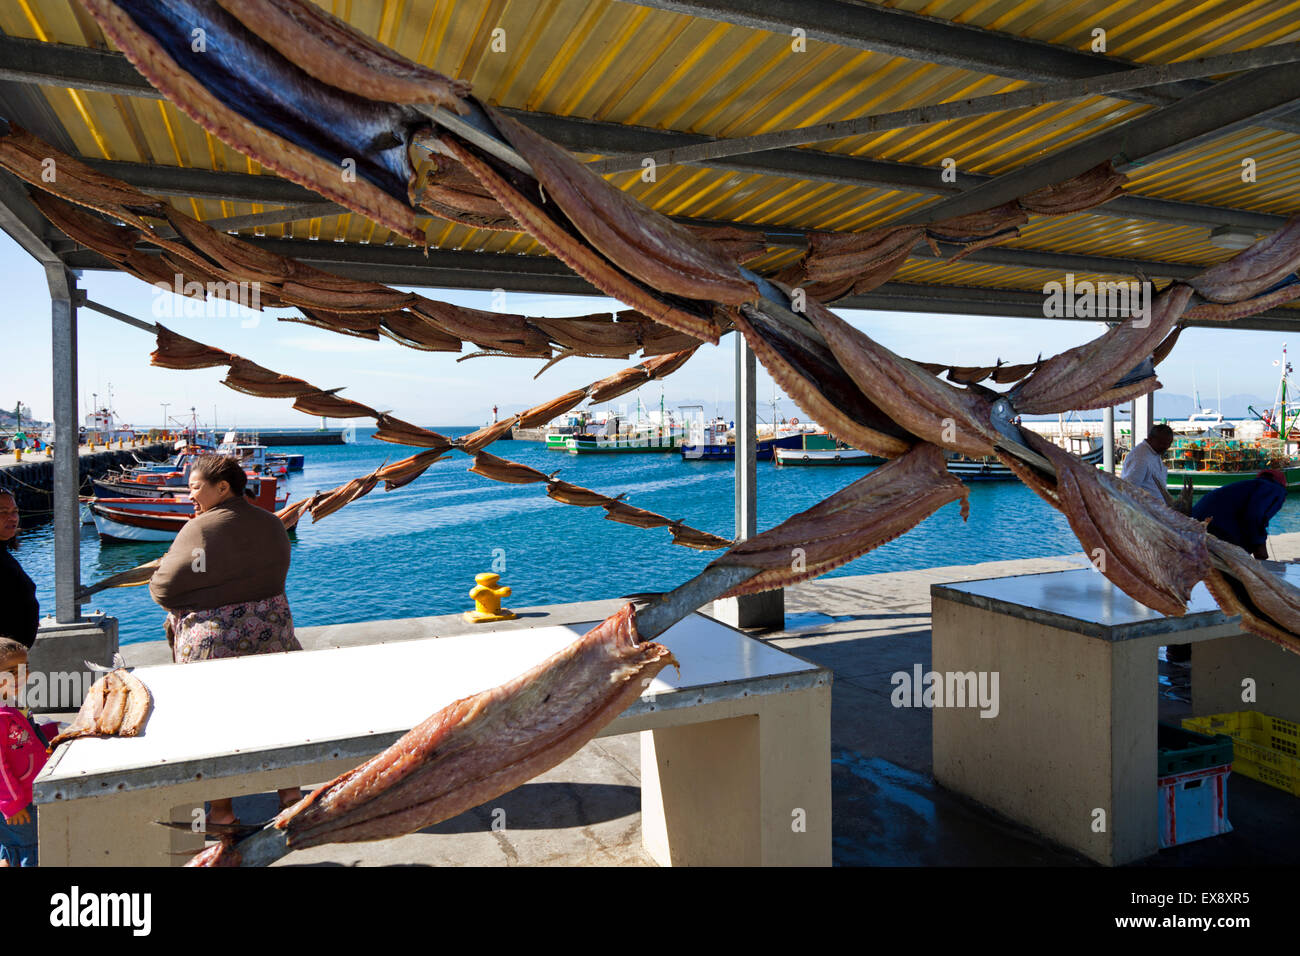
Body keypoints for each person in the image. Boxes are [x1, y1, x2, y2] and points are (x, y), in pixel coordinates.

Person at [148, 455, 301, 825]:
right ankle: (291, 797)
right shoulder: (271, 523)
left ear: (223, 487)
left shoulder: (200, 528)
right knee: (275, 716)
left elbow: (165, 588)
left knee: (214, 725)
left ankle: (221, 813)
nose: (191, 497)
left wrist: (161, 577)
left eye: (195, 488)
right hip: (274, 634)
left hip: (217, 644)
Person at [0, 638, 58, 866]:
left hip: (26, 792)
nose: (21, 676)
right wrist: (12, 804)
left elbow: (25, 734)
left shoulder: (11, 703)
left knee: (12, 847)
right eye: (11, 671)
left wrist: (53, 732)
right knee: (27, 849)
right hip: (16, 801)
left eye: (25, 668)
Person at [1191, 469, 1288, 559]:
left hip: (1195, 524)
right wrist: (1259, 544)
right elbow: (1254, 517)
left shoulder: (1249, 486)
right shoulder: (1275, 489)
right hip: (1215, 526)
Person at [1120, 424, 1191, 510]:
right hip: (1147, 513)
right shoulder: (1140, 458)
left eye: (1169, 444)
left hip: (1158, 511)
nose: (1166, 447)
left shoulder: (1154, 452)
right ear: (1151, 438)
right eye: (1162, 443)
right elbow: (1128, 490)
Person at [0, 491, 39, 649]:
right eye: (3, 512)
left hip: (14, 661)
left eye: (15, 511)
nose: (13, 518)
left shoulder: (4, 555)